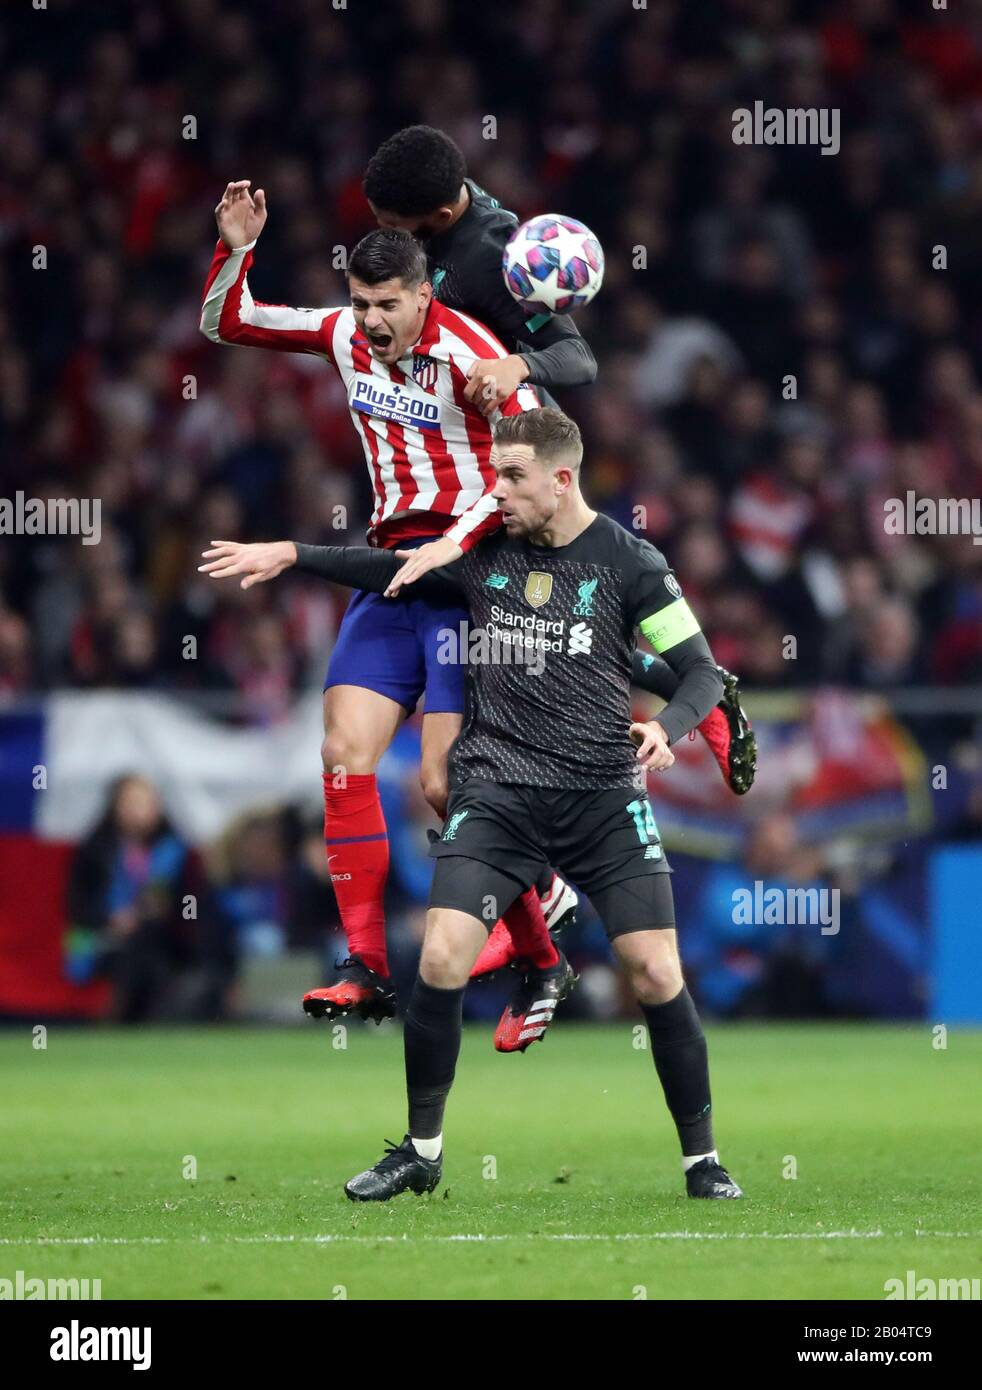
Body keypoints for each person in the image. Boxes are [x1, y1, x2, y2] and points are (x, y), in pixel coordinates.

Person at [199, 407, 743, 1199]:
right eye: (495, 474)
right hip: (498, 793)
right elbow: (385, 567)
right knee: (442, 957)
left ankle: (703, 1161)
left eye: (513, 478)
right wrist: (290, 554)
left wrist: (670, 726)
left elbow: (700, 671)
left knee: (656, 972)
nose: (497, 491)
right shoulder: (481, 552)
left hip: (601, 794)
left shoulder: (633, 563)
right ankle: (420, 1151)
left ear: (562, 480)